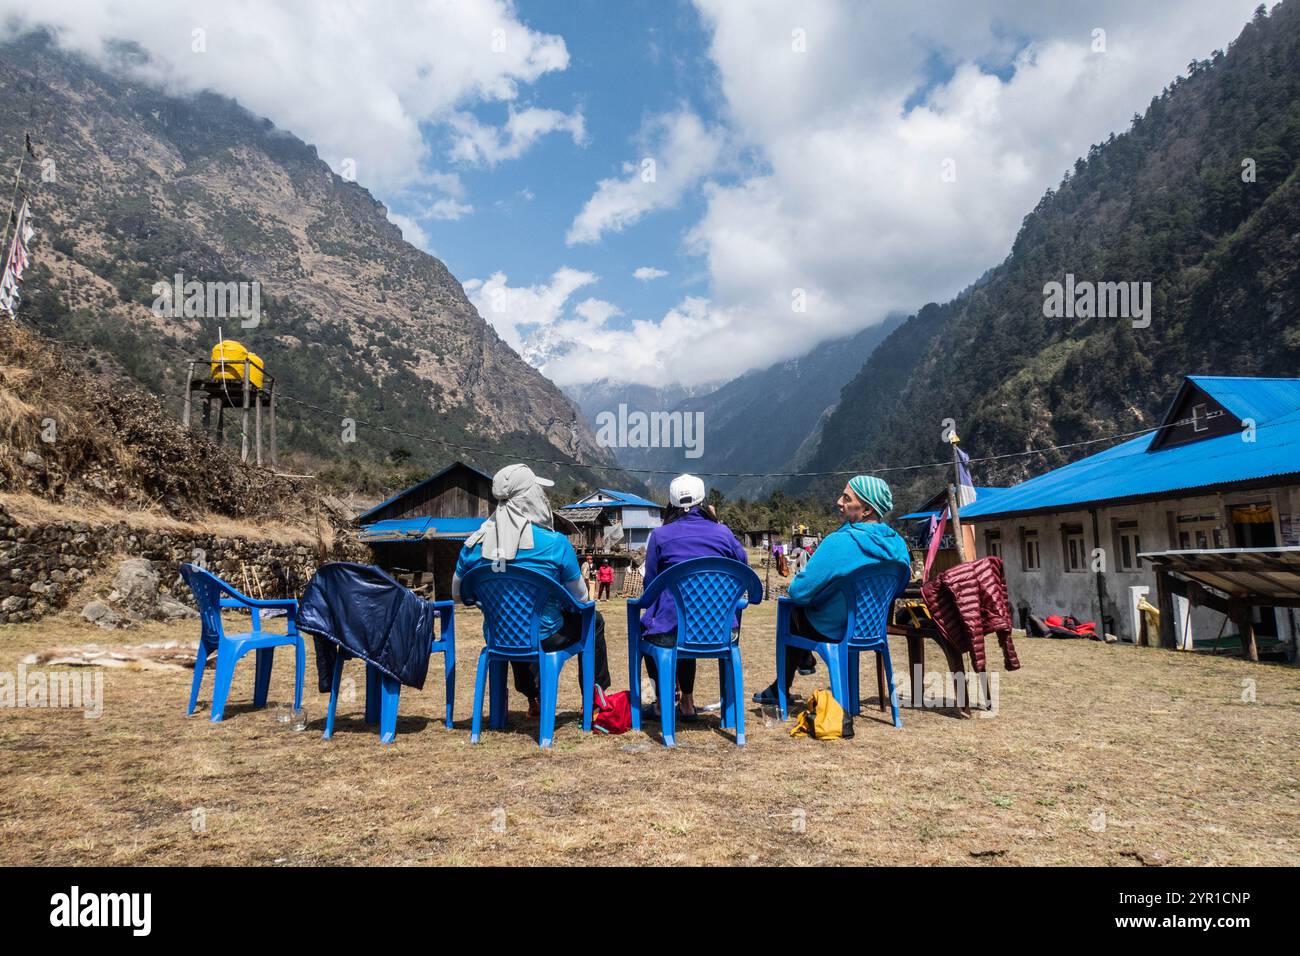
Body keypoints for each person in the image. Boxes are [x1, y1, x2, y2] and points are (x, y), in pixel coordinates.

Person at [452, 464, 611, 718]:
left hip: (497, 634)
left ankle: (533, 697)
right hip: (546, 634)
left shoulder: (474, 545)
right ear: (532, 497)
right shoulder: (554, 543)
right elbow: (581, 598)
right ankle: (594, 700)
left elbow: (459, 596)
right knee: (593, 622)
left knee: (514, 625)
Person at [753, 474, 911, 706]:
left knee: (793, 611)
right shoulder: (899, 545)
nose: (839, 501)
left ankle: (784, 684)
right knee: (800, 614)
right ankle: (798, 666)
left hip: (833, 627)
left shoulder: (840, 542)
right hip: (872, 628)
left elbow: (799, 590)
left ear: (866, 509)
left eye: (846, 498)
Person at [638, 474, 749, 722]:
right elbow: (743, 565)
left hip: (671, 630)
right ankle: (687, 704)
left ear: (671, 504)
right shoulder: (722, 533)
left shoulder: (660, 535)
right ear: (703, 501)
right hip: (720, 631)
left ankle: (661, 704)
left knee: (651, 629)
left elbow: (650, 587)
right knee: (686, 630)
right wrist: (717, 523)